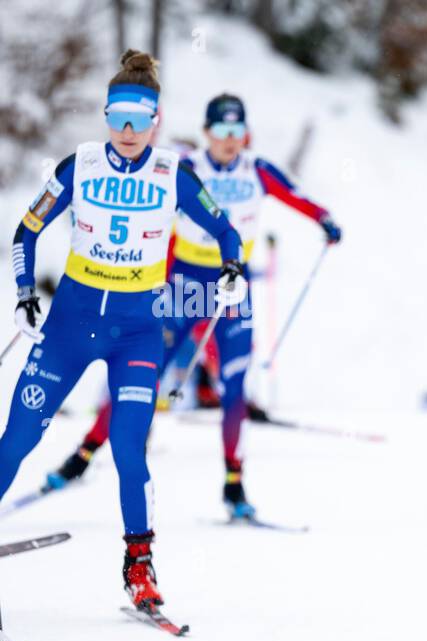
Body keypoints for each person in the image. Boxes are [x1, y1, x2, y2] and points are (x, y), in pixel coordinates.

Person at [5, 50, 244, 610]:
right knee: (17, 439)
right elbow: (25, 232)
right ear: (105, 116)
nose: (129, 130)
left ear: (157, 120)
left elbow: (225, 230)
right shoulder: (79, 165)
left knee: (127, 447)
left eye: (141, 118)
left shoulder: (172, 174)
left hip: (138, 333)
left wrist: (231, 270)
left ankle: (139, 564)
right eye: (119, 117)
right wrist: (22, 295)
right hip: (69, 324)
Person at [44, 92, 342, 519]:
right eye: (221, 130)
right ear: (206, 132)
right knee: (142, 374)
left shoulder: (257, 170)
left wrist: (325, 220)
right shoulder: (186, 166)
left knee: (235, 384)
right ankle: (85, 453)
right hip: (184, 282)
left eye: (237, 131)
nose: (229, 139)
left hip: (231, 287)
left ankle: (234, 485)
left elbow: (298, 196)